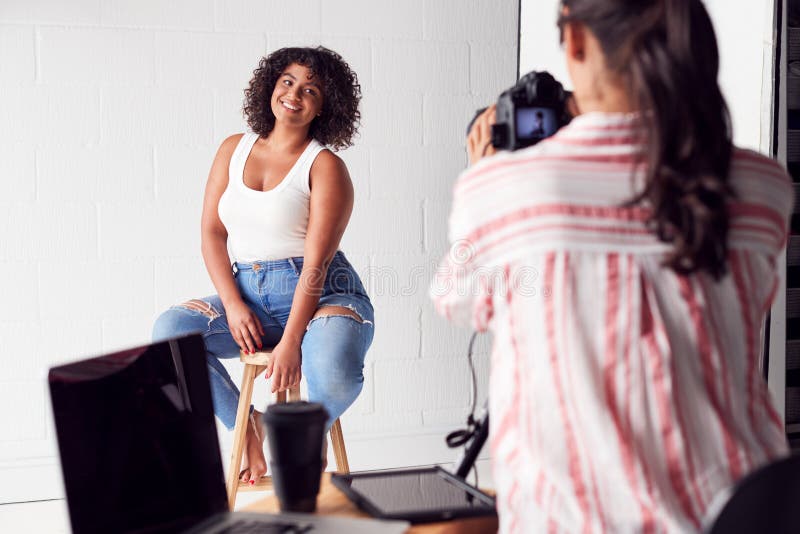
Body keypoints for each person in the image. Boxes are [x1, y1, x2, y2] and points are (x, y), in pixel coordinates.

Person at [431, 0, 793, 532]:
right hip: (748, 511)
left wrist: (485, 172)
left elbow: (456, 299)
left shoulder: (500, 189)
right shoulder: (765, 186)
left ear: (575, 40)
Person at [153, 46, 373, 486]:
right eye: (288, 81)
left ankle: (310, 429)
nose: (295, 94)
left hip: (323, 294)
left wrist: (292, 341)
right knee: (170, 335)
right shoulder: (234, 149)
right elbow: (213, 235)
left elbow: (317, 263)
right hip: (249, 295)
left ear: (325, 106)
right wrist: (232, 304)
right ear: (271, 85)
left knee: (333, 374)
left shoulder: (326, 166)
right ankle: (246, 425)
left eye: (311, 89)